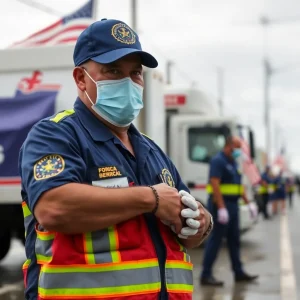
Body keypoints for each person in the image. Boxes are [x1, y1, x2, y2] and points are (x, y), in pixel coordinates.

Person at [19, 19, 214, 300]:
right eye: (113, 71)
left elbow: (188, 228)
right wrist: (152, 199)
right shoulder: (55, 134)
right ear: (80, 78)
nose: (128, 83)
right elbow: (54, 207)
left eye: (135, 73)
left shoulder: (151, 150)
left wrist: (199, 222)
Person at [200, 136, 258, 286]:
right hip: (221, 207)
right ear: (229, 146)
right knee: (216, 240)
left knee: (234, 240)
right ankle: (206, 275)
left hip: (233, 206)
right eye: (237, 147)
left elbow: (239, 187)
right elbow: (215, 184)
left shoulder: (233, 162)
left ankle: (238, 272)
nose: (239, 151)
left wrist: (249, 203)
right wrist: (221, 208)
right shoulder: (218, 161)